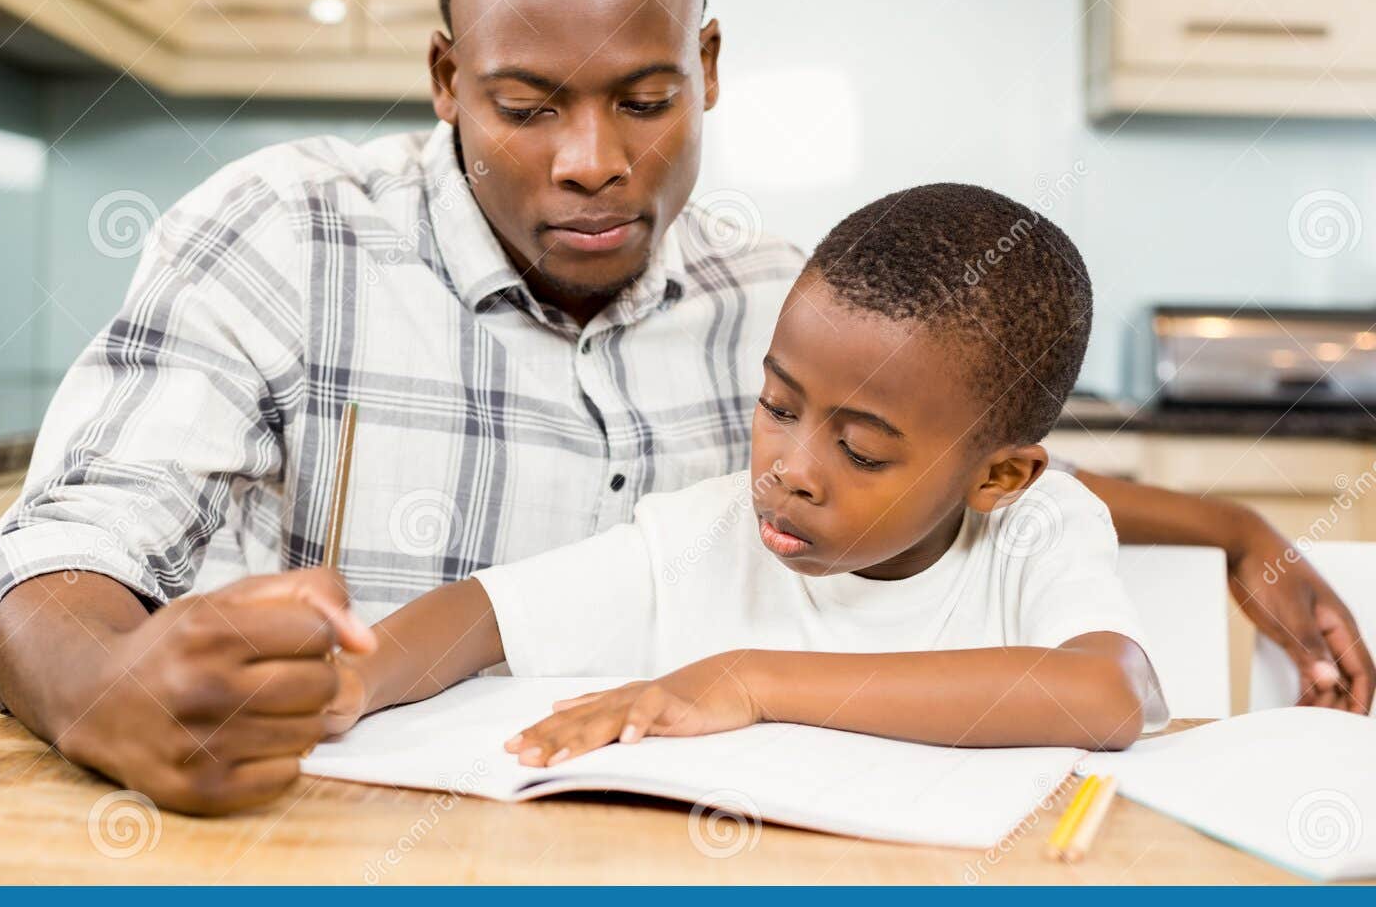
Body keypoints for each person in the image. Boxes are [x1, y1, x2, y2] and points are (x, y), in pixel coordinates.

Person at [0, 0, 1369, 815]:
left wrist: (1239, 527)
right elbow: (68, 547)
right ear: (448, 78)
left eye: (644, 100)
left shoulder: (782, 301)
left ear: (705, 66)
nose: (591, 160)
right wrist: (102, 690)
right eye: (526, 105)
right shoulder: (281, 233)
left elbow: (957, 471)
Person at [327, 185, 1170, 758]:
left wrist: (752, 678)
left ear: (999, 479)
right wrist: (354, 679)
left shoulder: (1038, 526)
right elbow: (484, 614)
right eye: (778, 405)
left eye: (863, 451)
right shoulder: (707, 533)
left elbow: (1106, 692)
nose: (789, 471)